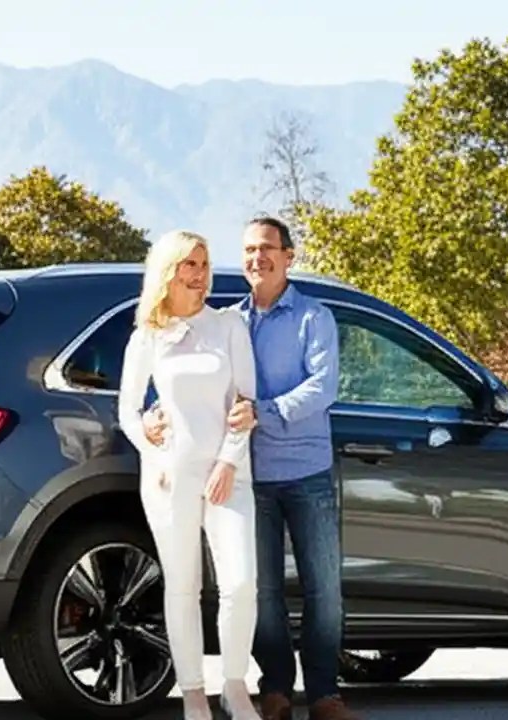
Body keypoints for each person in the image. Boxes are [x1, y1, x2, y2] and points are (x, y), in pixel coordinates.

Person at [145, 217, 358, 720]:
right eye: (247, 250)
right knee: (258, 592)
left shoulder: (313, 317)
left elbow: (322, 387)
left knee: (322, 588)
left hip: (307, 471)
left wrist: (265, 410)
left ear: (288, 256)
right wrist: (154, 414)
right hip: (247, 476)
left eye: (266, 249)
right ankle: (276, 690)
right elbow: (180, 377)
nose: (256, 258)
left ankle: (325, 695)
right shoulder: (226, 322)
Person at [117, 229, 263, 720]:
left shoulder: (228, 328)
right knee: (182, 586)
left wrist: (227, 462)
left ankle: (236, 686)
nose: (201, 276)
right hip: (169, 477)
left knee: (241, 583)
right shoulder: (147, 336)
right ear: (168, 272)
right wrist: (153, 451)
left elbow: (245, 405)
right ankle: (194, 696)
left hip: (229, 472)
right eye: (190, 266)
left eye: (204, 265)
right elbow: (128, 413)